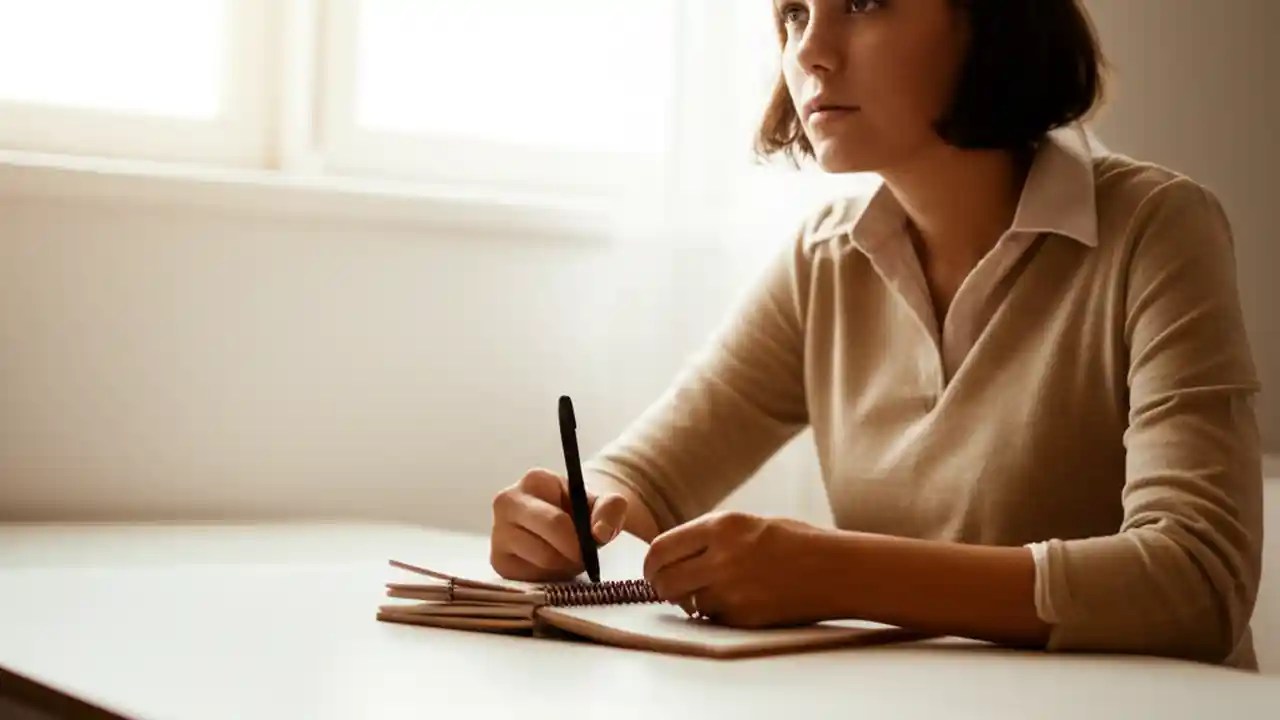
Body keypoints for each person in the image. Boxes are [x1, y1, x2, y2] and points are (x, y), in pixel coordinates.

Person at [488, 0, 1263, 669]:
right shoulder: (823, 260)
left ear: (988, 20)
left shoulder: (1157, 230)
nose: (810, 53)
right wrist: (565, 519)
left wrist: (835, 573)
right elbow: (643, 482)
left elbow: (1197, 582)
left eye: (861, 2)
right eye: (794, 13)